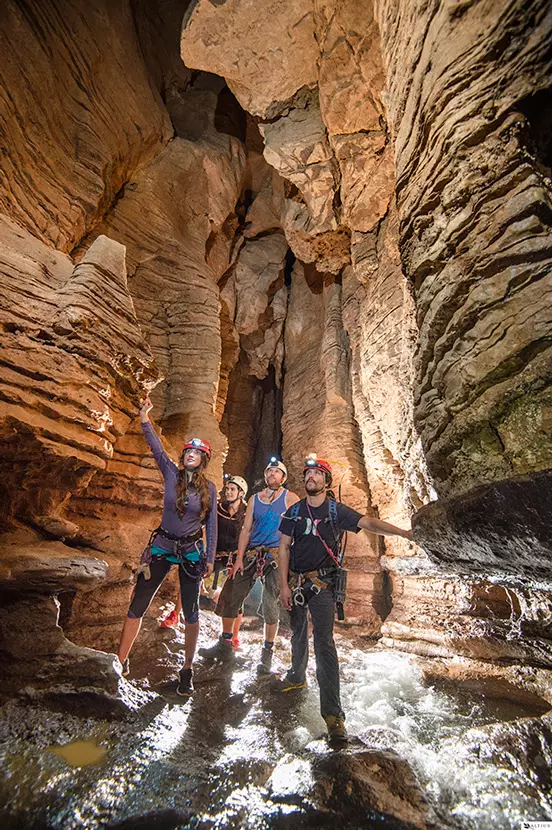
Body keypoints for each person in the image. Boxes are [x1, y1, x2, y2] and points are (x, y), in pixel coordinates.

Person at [278, 454, 414, 742]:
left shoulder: (335, 512)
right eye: (307, 474)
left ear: (327, 482)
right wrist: (284, 587)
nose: (310, 478)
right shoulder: (293, 512)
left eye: (316, 474)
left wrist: (403, 533)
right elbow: (284, 549)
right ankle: (297, 675)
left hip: (324, 586)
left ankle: (333, 716)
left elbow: (369, 523)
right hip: (297, 584)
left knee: (324, 645)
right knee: (298, 634)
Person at [117, 396, 217, 697]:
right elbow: (156, 448)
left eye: (197, 453)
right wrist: (145, 417)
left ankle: (187, 669)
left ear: (203, 460)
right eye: (189, 451)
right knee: (139, 602)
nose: (191, 455)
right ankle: (119, 660)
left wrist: (209, 559)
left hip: (189, 551)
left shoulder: (209, 489)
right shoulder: (171, 473)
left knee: (191, 610)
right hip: (162, 546)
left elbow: (210, 525)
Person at [199, 457, 299, 674]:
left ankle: (267, 652)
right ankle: (225, 643)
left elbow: (299, 527)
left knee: (270, 602)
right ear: (265, 476)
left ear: (284, 477)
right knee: (232, 590)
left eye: (276, 471)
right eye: (269, 471)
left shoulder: (290, 498)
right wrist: (238, 559)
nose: (272, 474)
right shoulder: (255, 499)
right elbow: (245, 530)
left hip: (275, 556)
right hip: (253, 552)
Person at [160, 475, 248, 647]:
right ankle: (175, 614)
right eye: (228, 489)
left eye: (233, 490)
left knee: (238, 593)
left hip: (234, 557)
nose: (228, 492)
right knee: (191, 577)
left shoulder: (247, 512)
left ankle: (235, 636)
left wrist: (241, 559)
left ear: (241, 493)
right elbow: (204, 526)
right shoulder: (218, 509)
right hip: (214, 554)